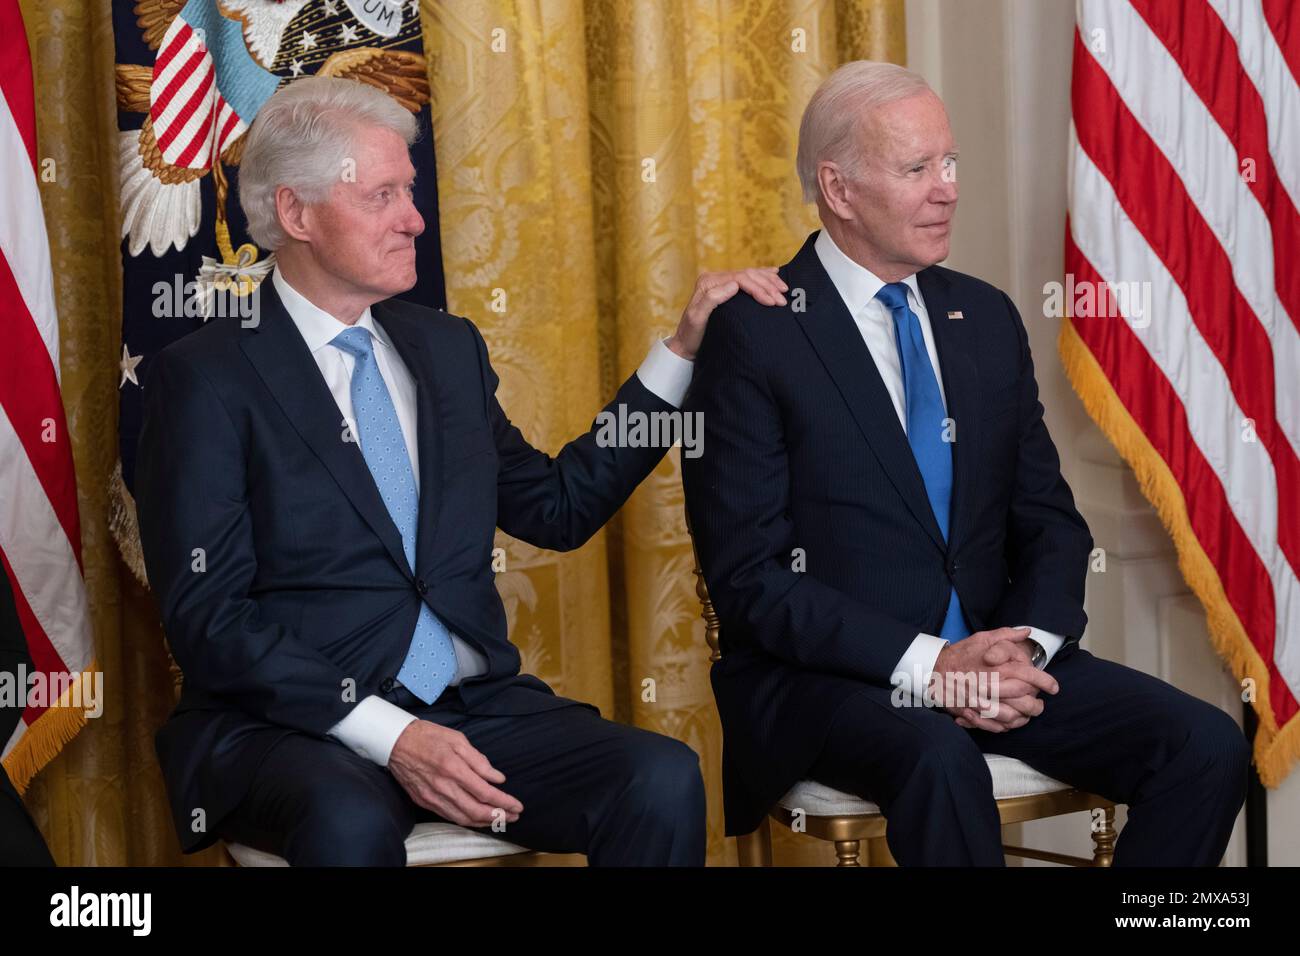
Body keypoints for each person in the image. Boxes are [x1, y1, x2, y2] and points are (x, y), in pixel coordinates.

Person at [136, 76, 787, 866]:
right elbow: (211, 618)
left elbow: (556, 505)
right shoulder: (205, 377)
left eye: (409, 192)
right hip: (297, 728)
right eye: (382, 197)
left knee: (657, 777)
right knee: (347, 825)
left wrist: (679, 354)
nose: (415, 219)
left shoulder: (447, 350)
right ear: (297, 212)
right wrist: (394, 735)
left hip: (474, 708)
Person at [682, 60, 1250, 865]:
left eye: (949, 163)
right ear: (838, 189)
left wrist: (1020, 652)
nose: (947, 188)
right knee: (939, 760)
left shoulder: (982, 317)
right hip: (834, 681)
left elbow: (1049, 522)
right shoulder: (755, 333)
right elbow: (751, 583)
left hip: (995, 659)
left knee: (1206, 742)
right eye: (917, 169)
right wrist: (934, 666)